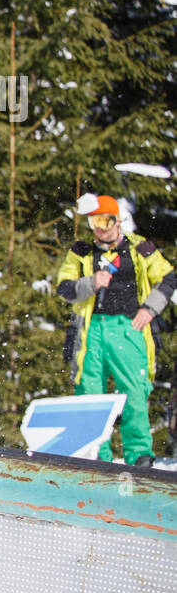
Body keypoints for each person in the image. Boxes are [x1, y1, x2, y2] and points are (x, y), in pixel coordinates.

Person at [55, 193, 175, 467]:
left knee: (134, 391)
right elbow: (64, 287)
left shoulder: (139, 248)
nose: (101, 227)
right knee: (89, 393)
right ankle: (96, 454)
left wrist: (150, 309)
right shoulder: (81, 252)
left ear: (117, 220)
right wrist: (90, 282)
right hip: (92, 331)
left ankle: (139, 454)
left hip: (129, 327)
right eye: (95, 220)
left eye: (106, 220)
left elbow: (168, 277)